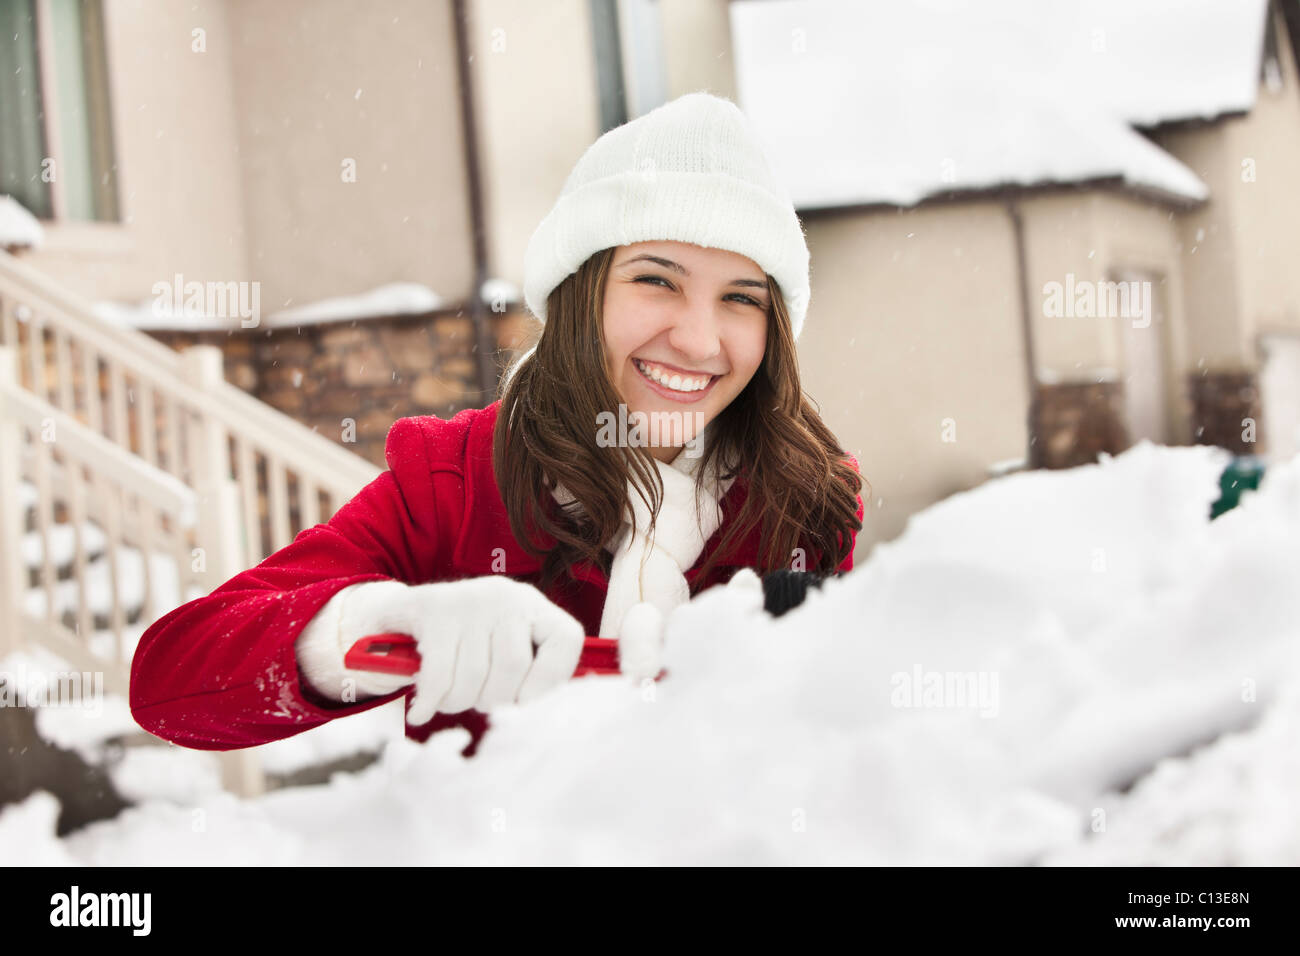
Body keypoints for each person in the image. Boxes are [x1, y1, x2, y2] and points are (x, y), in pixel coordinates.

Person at [128, 91, 865, 756]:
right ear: (580, 294)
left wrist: (788, 662)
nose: (700, 342)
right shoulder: (456, 480)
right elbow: (170, 682)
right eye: (655, 280)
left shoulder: (804, 499)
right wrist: (391, 621)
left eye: (741, 299)